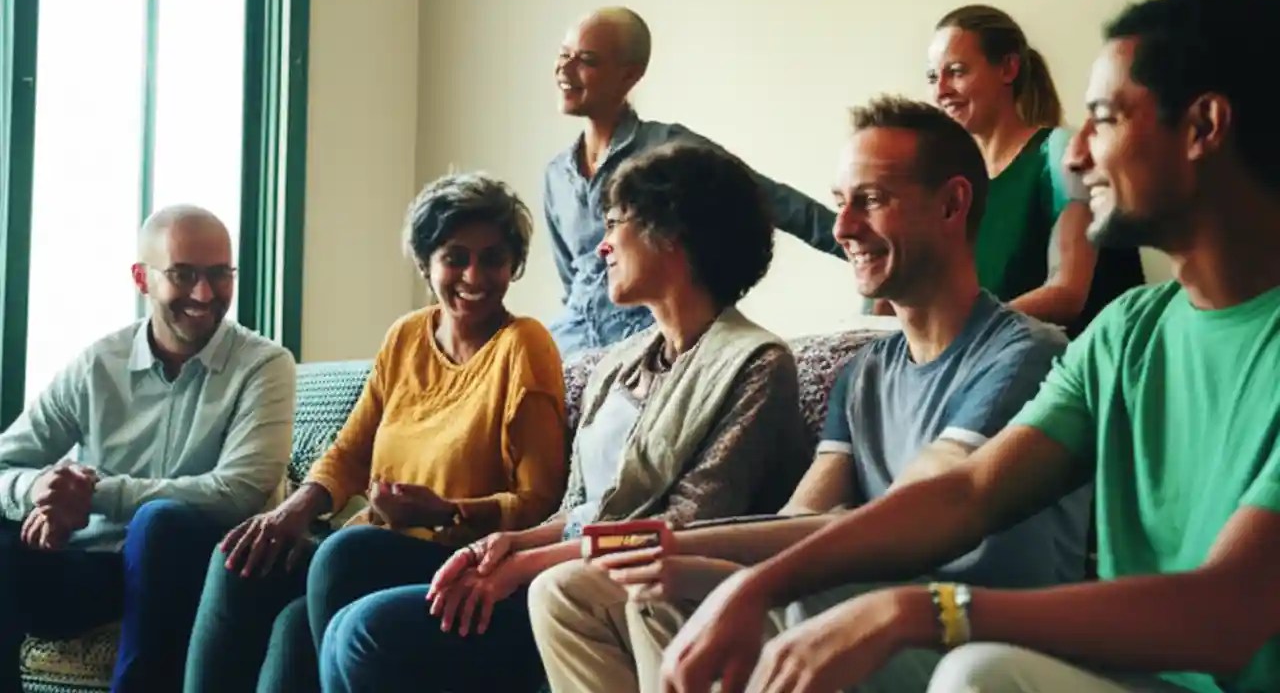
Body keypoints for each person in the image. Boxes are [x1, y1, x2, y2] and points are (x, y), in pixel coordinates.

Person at [659, 0, 1280, 693]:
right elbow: (967, 494)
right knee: (814, 605)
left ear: (1204, 127)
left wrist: (928, 610)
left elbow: (1227, 616)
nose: (1075, 155)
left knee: (976, 672)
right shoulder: (1127, 332)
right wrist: (759, 583)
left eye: (1102, 119)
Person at [527, 96, 1092, 693]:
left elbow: (910, 516)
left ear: (952, 204)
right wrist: (673, 559)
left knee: (783, 602)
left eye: (870, 201)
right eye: (841, 203)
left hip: (975, 638)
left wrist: (681, 544)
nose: (843, 227)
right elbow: (804, 519)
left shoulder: (1024, 355)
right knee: (615, 593)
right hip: (858, 605)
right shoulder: (865, 372)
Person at [319, 141, 811, 692]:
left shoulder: (755, 364)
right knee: (344, 604)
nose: (602, 246)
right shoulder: (621, 364)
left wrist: (526, 564)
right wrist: (508, 544)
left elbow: (684, 530)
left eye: (615, 223)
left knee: (368, 631)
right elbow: (578, 509)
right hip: (558, 568)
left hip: (622, 595)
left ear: (670, 236)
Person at [184, 173, 568, 692]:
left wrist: (445, 511)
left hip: (455, 557)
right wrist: (292, 511)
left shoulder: (525, 346)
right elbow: (351, 450)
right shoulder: (407, 336)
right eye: (456, 257)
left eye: (493, 258)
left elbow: (541, 502)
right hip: (375, 545)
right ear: (426, 263)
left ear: (513, 266)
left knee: (346, 554)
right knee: (244, 563)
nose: (474, 275)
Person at [0, 206, 295, 693]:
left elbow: (238, 492)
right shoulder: (99, 363)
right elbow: (8, 460)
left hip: (197, 567)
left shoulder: (264, 366)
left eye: (220, 275)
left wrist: (92, 493)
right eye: (183, 275)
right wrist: (42, 490)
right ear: (142, 278)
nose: (204, 293)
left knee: (159, 522)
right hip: (90, 569)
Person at [546, 6, 843, 356]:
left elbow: (776, 202)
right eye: (563, 55)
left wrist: (872, 253)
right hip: (570, 352)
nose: (564, 69)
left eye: (587, 60)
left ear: (629, 76)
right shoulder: (556, 175)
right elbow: (573, 282)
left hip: (649, 348)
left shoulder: (668, 151)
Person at [919, 4, 1145, 335]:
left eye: (956, 71)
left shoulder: (1057, 153)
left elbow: (1068, 294)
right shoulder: (957, 185)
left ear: (1008, 68)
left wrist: (961, 333)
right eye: (932, 77)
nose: (941, 91)